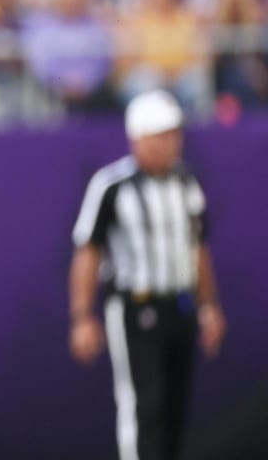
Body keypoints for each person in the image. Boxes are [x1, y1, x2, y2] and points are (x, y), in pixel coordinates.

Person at [69, 89, 228, 460]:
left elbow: (198, 248)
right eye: (161, 134)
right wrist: (81, 316)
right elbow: (88, 250)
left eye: (175, 133)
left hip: (181, 306)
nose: (171, 143)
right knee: (144, 406)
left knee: (176, 407)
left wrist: (210, 306)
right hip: (134, 309)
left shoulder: (187, 183)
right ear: (137, 137)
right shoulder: (112, 186)